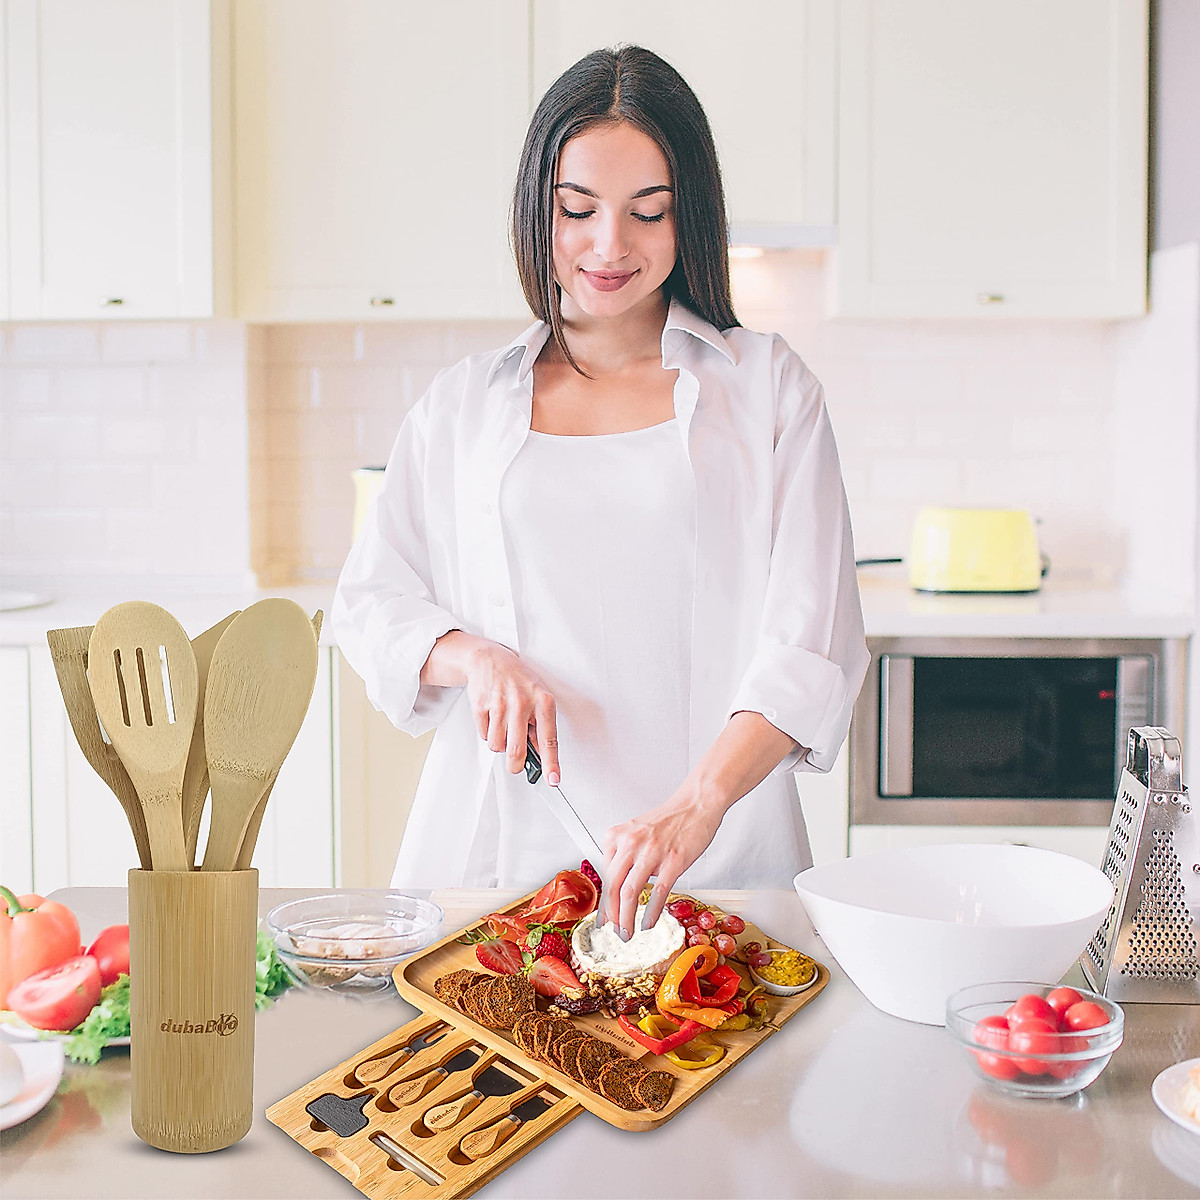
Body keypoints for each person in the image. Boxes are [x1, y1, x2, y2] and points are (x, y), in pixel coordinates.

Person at [333, 45, 869, 940]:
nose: (610, 246)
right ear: (535, 208)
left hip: (717, 867)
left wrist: (697, 807)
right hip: (496, 873)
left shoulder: (769, 390)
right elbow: (369, 602)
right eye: (577, 209)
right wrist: (472, 655)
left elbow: (811, 646)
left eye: (647, 212)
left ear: (689, 214)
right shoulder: (464, 404)